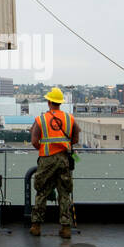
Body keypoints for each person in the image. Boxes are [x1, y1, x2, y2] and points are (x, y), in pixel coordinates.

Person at [29, 87, 80, 238]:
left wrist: (45, 149)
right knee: (64, 193)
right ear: (60, 103)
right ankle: (65, 228)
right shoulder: (70, 118)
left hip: (46, 159)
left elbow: (34, 141)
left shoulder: (41, 119)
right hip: (64, 159)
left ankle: (36, 226)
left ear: (49, 102)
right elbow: (76, 139)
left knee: (42, 192)